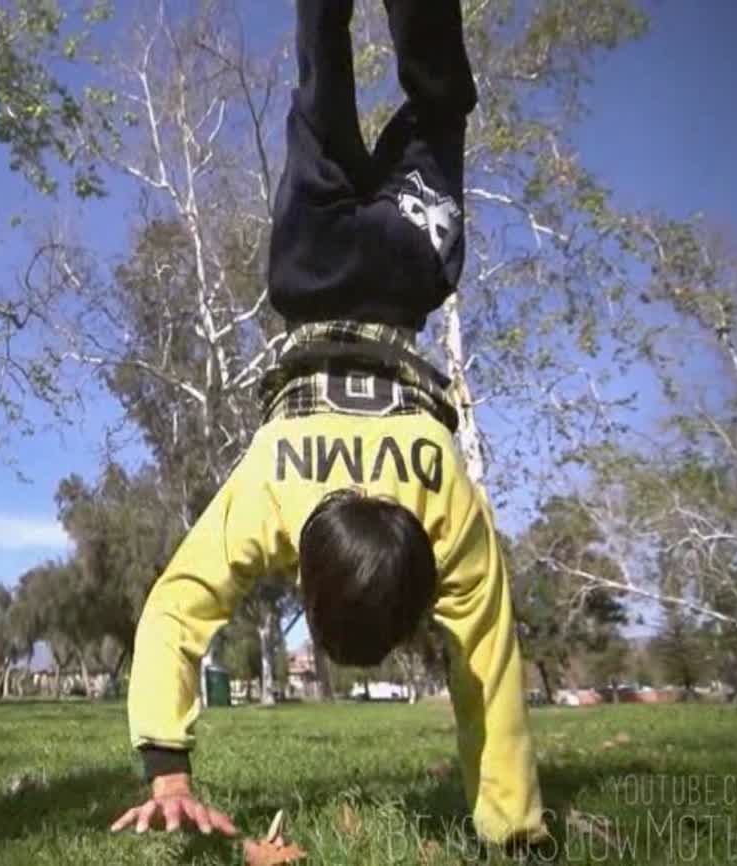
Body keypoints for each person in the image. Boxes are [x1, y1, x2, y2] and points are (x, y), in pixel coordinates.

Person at [110, 0, 548, 848]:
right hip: (310, 270)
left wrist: (515, 832)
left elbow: (489, 663)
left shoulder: (443, 501)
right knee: (322, 88)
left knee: (437, 107)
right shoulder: (277, 485)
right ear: (307, 584)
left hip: (406, 270)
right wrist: (166, 765)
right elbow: (177, 610)